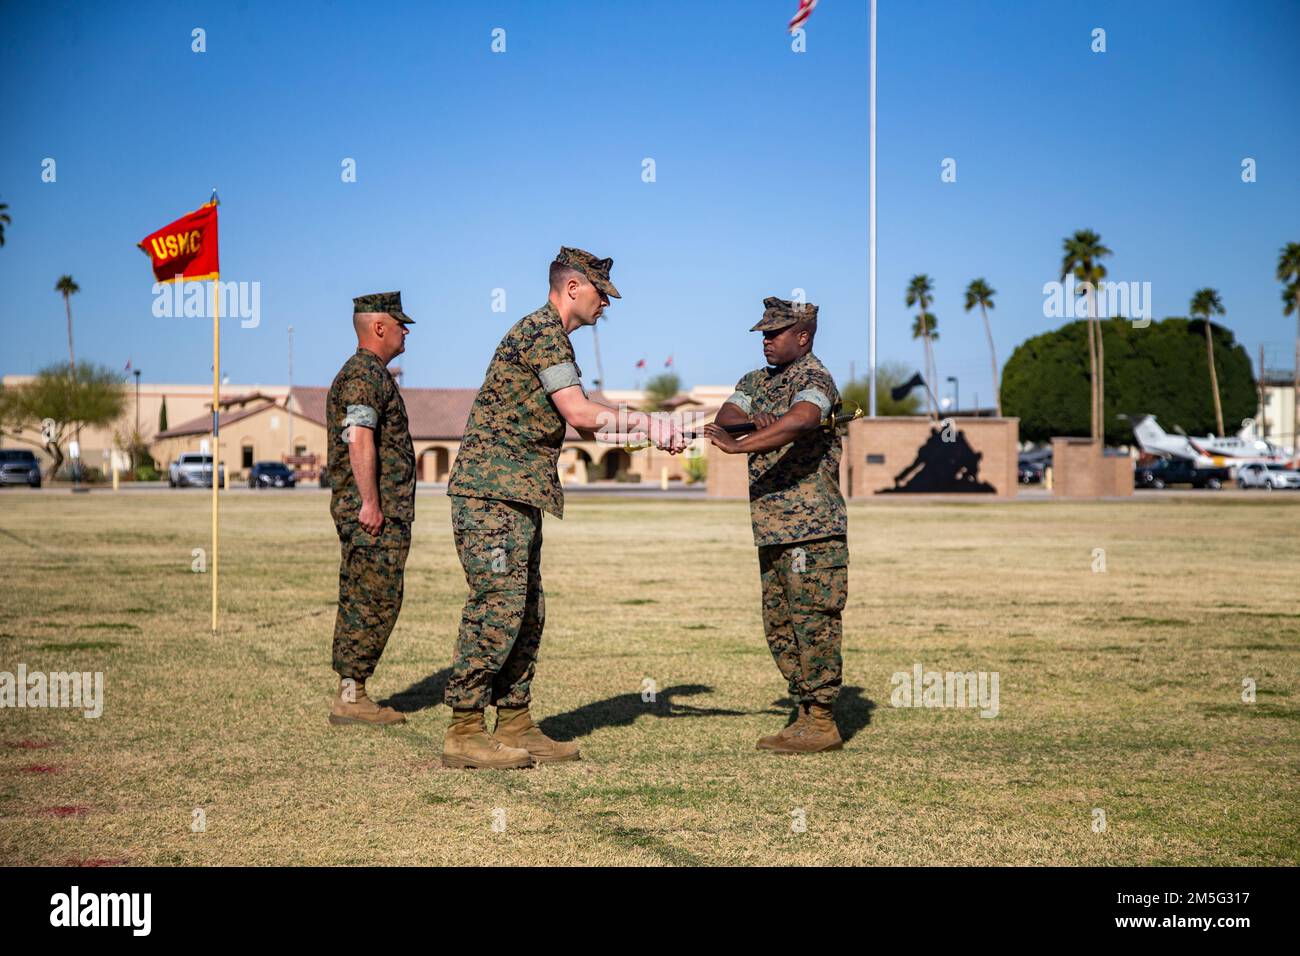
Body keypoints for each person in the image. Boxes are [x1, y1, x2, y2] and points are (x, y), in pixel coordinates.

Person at [441, 246, 686, 769]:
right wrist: (650, 423)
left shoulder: (555, 341)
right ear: (572, 288)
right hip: (492, 493)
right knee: (497, 606)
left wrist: (652, 434)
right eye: (602, 293)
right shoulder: (541, 333)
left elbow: (580, 424)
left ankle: (515, 721)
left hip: (519, 493)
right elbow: (580, 410)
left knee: (528, 610)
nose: (607, 305)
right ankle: (464, 728)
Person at [704, 296, 848, 754]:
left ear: (802, 337)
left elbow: (802, 419)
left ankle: (823, 719)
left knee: (814, 622)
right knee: (780, 625)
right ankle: (803, 713)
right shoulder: (755, 381)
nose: (765, 340)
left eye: (775, 333)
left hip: (812, 530)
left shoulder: (814, 378)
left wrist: (741, 445)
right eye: (763, 333)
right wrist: (750, 421)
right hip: (770, 528)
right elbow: (727, 415)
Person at [325, 292, 416, 726]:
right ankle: (351, 696)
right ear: (378, 327)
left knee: (368, 597)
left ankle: (353, 691)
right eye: (400, 323)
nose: (406, 331)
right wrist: (370, 503)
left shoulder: (371, 374)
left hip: (377, 514)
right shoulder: (364, 374)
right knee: (371, 599)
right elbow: (359, 436)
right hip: (373, 517)